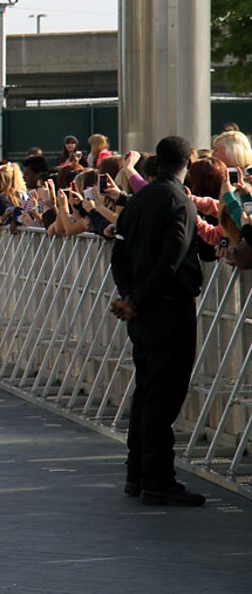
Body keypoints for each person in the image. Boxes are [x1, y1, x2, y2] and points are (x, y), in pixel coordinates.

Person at [110, 135, 206, 507]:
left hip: (142, 310)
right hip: (168, 308)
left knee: (147, 390)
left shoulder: (137, 202)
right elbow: (173, 258)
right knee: (164, 395)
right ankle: (157, 478)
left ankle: (137, 473)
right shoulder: (180, 201)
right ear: (188, 161)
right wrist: (141, 298)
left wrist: (130, 296)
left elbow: (119, 253)